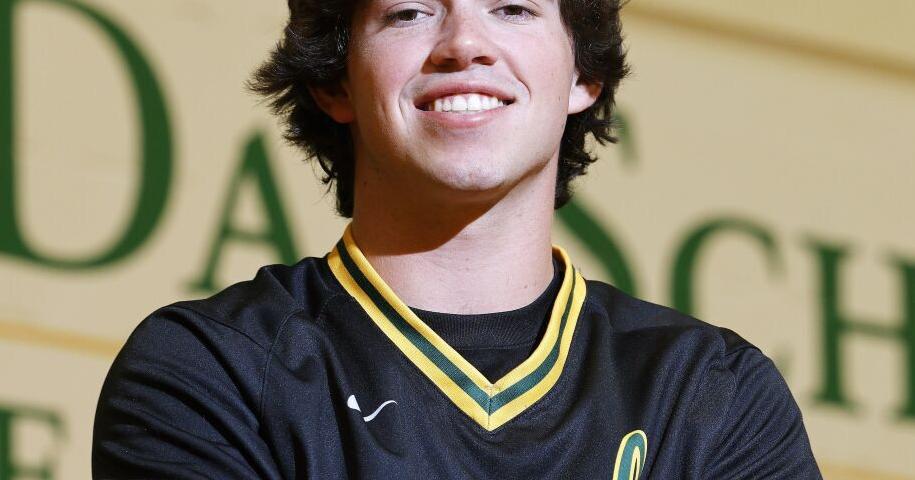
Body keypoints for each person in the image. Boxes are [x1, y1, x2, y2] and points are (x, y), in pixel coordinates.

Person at [92, 0, 822, 478]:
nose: (464, 44)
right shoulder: (210, 371)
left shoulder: (710, 392)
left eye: (511, 8)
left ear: (584, 74)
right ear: (333, 82)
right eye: (408, 12)